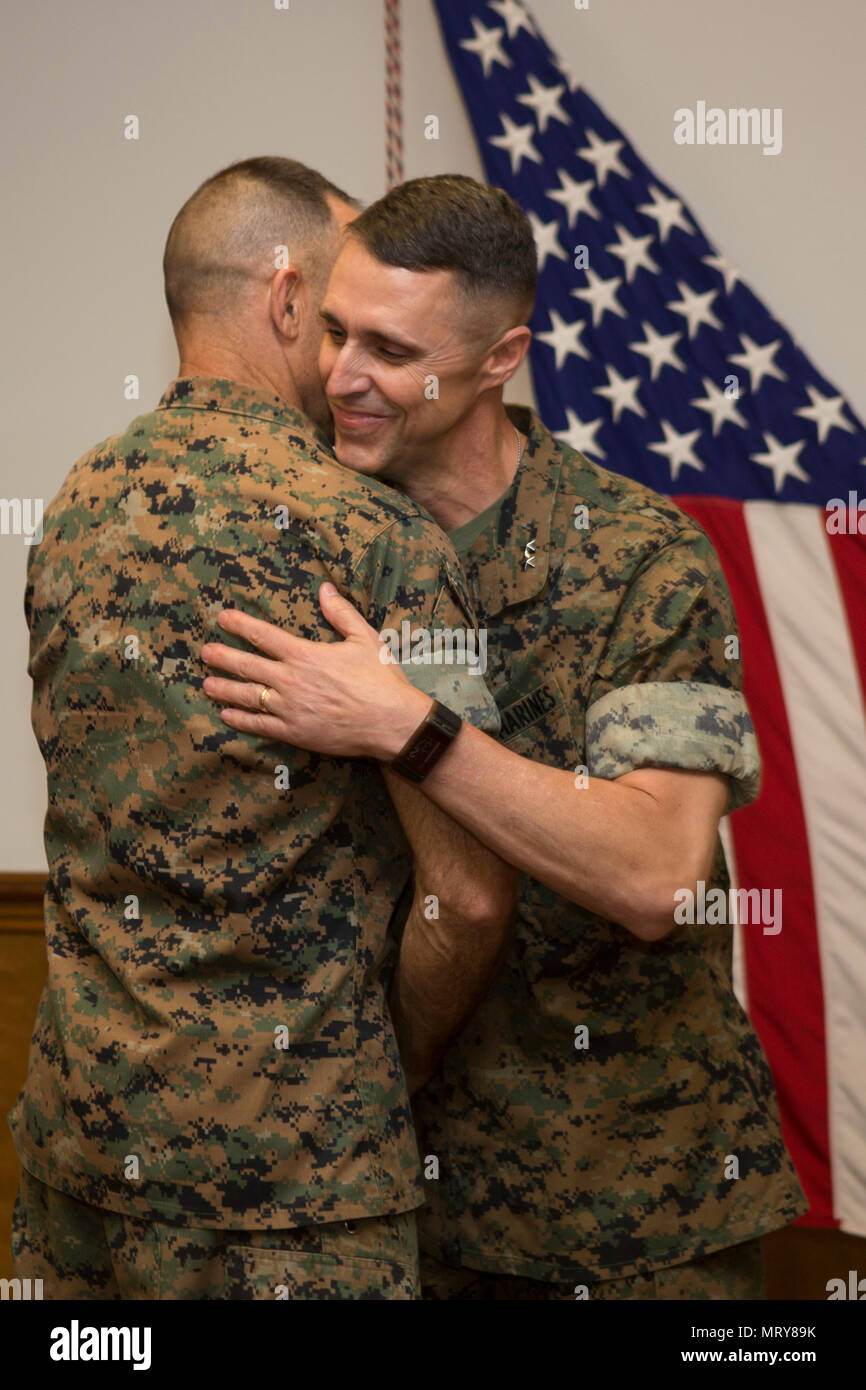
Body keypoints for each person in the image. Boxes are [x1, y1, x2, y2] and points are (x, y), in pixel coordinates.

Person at [201, 174, 808, 1300]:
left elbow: (651, 875)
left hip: (630, 1210)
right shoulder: (317, 541)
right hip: (387, 1202)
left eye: (388, 348)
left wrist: (408, 727)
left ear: (497, 358)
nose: (340, 377)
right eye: (333, 329)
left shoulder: (634, 555)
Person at [9, 159, 514, 1301]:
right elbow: (471, 892)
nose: (345, 357)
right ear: (285, 299)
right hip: (300, 1194)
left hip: (81, 1160)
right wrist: (382, 1066)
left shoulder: (74, 507)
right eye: (332, 317)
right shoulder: (377, 541)